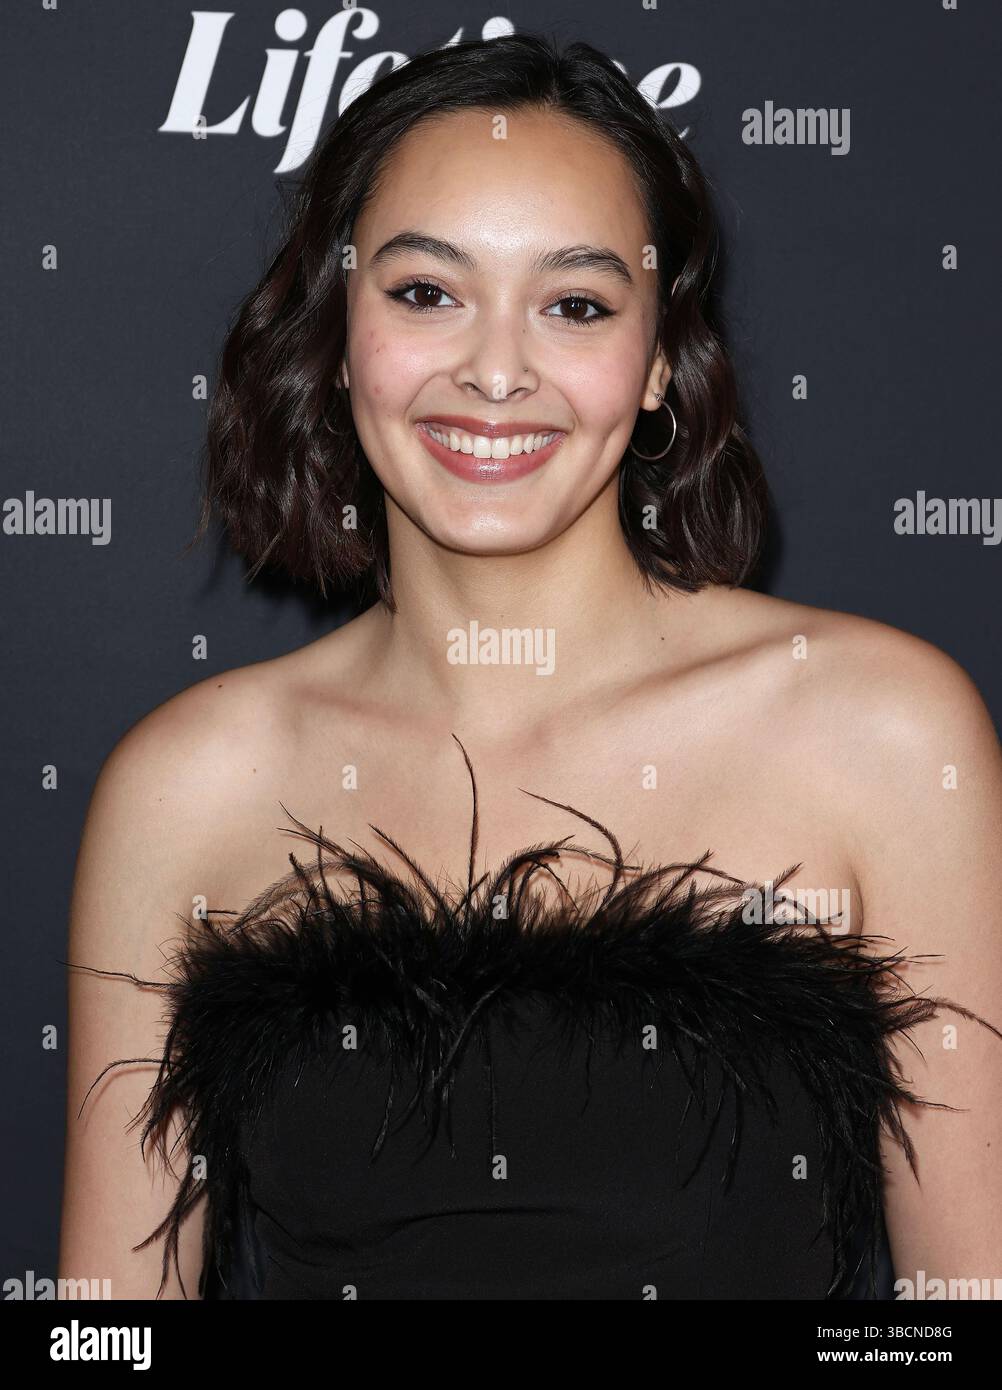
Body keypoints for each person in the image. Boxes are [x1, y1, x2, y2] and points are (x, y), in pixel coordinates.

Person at [58, 32, 1002, 1301]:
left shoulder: (885, 735)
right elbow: (102, 1332)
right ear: (338, 336)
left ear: (662, 355)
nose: (496, 372)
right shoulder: (184, 787)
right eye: (426, 292)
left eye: (576, 304)